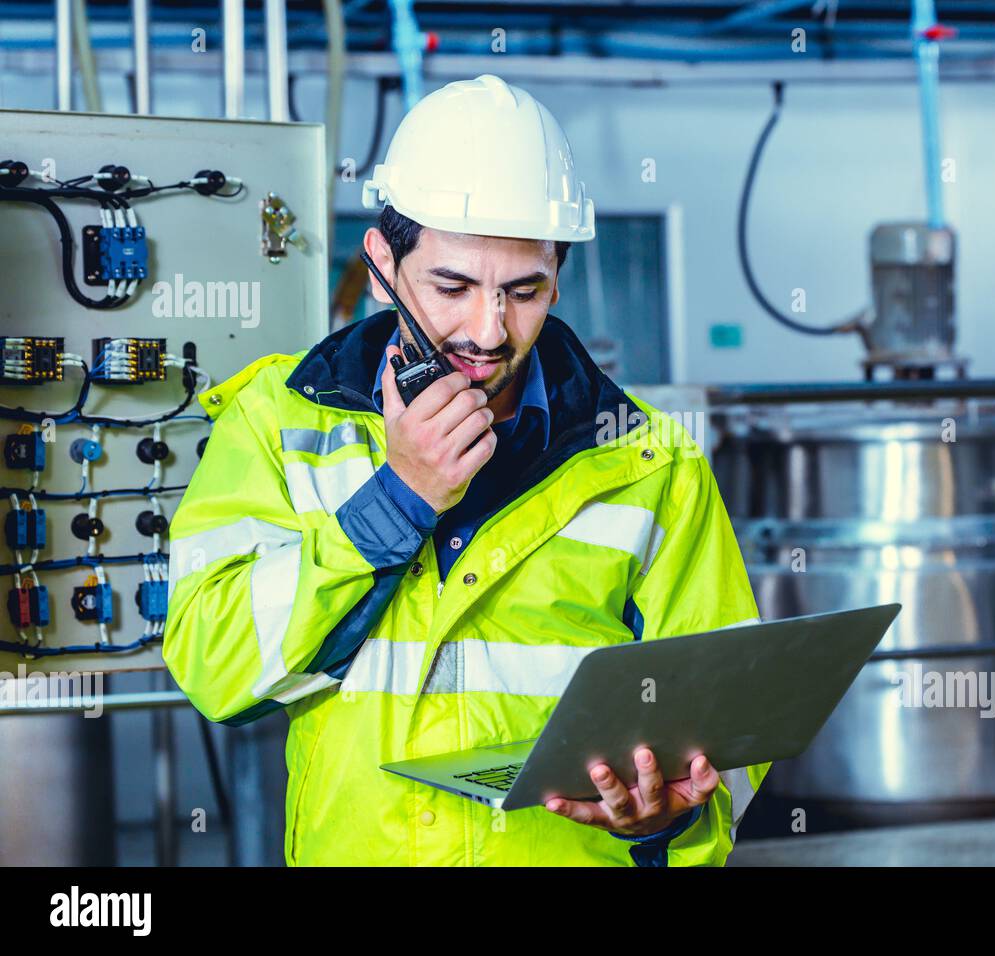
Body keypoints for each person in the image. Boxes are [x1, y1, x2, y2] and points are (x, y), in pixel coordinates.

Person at [163, 74, 767, 866]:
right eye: (452, 286)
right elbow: (216, 664)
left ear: (559, 272)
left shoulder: (649, 460)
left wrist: (665, 821)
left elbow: (730, 724)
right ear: (383, 263)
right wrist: (398, 500)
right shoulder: (280, 422)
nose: (489, 330)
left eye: (525, 290)